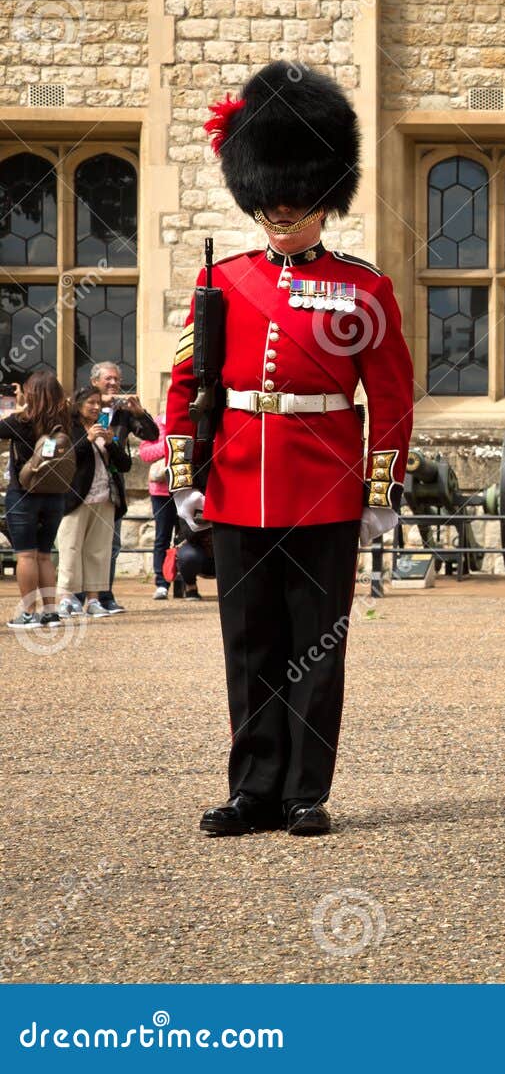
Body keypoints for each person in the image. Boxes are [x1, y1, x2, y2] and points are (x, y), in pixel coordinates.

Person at [163, 60, 414, 837]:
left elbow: (391, 399)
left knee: (315, 649)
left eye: (295, 193)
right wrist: (184, 476)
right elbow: (187, 384)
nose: (281, 206)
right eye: (270, 192)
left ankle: (305, 789)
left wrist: (379, 492)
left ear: (322, 195)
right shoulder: (223, 281)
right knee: (249, 646)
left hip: (324, 491)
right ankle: (254, 787)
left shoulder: (362, 288)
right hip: (239, 486)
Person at [1, 371, 71, 629]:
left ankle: (29, 613)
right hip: (55, 496)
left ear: (30, 394)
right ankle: (50, 612)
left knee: (26, 556)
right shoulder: (65, 421)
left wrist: (15, 404)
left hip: (23, 494)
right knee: (44, 555)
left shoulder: (19, 421)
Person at [89, 360, 158, 613]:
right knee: (81, 543)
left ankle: (104, 596)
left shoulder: (124, 413)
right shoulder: (82, 407)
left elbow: (152, 435)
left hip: (112, 486)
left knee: (111, 544)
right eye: (108, 378)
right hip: (83, 484)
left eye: (117, 379)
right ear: (94, 382)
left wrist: (139, 413)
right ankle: (76, 596)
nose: (114, 383)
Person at [56, 387, 129, 619]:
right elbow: (65, 459)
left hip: (104, 497)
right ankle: (66, 598)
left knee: (98, 551)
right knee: (70, 548)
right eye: (91, 403)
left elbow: (125, 464)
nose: (96, 407)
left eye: (99, 403)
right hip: (76, 498)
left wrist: (110, 443)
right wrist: (87, 440)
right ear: (79, 405)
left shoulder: (106, 428)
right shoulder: (68, 428)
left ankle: (95, 600)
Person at [138, 410, 176, 600]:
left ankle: (186, 584)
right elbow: (145, 454)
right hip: (161, 491)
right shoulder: (157, 422)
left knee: (185, 538)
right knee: (162, 537)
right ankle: (161, 583)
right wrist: (170, 443)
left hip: (185, 488)